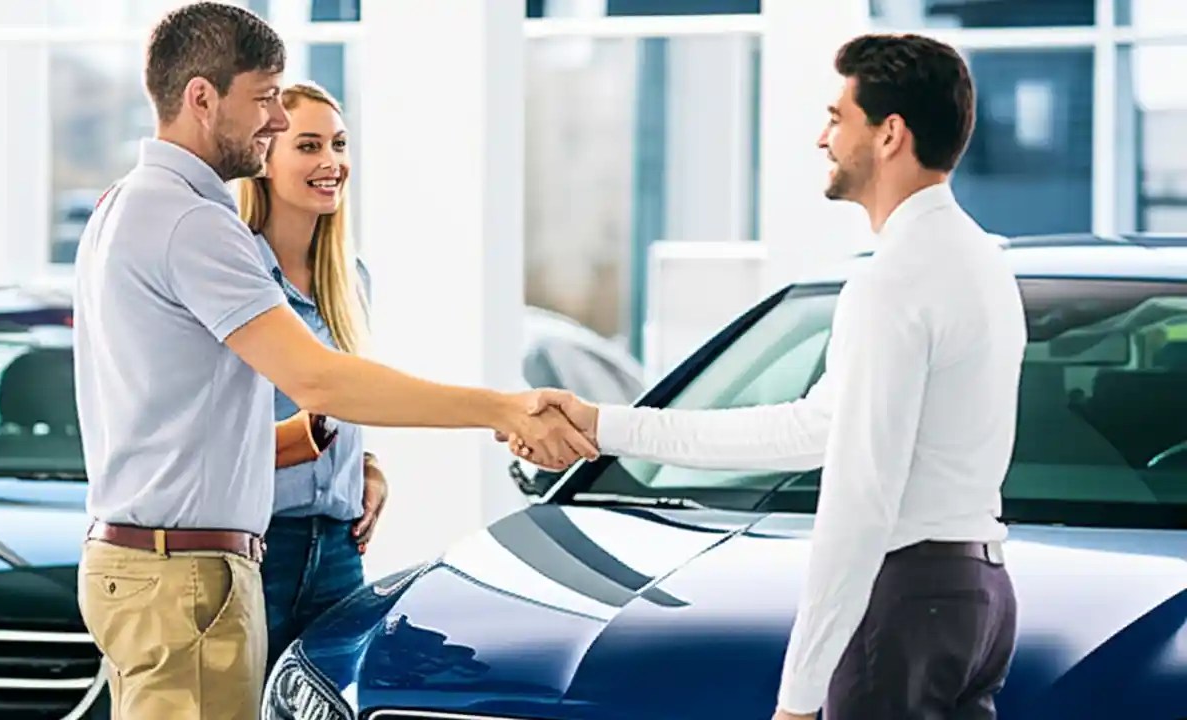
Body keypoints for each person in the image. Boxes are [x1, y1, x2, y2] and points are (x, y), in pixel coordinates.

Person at [71, 3, 595, 718]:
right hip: (184, 572)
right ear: (201, 97)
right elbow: (316, 378)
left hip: (163, 564)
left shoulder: (127, 204)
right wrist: (503, 408)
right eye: (263, 99)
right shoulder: (193, 220)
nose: (277, 122)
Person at [515, 33, 1025, 720]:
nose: (822, 138)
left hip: (903, 599)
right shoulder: (983, 262)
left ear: (890, 134)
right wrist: (607, 425)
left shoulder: (894, 282)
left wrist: (798, 695)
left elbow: (860, 499)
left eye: (838, 117)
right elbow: (812, 428)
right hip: (977, 598)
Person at [234, 80, 385, 670]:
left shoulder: (353, 280)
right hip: (259, 547)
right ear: (264, 156)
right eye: (309, 146)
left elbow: (346, 396)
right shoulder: (236, 273)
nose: (331, 163)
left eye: (340, 145)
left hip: (341, 550)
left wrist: (365, 465)